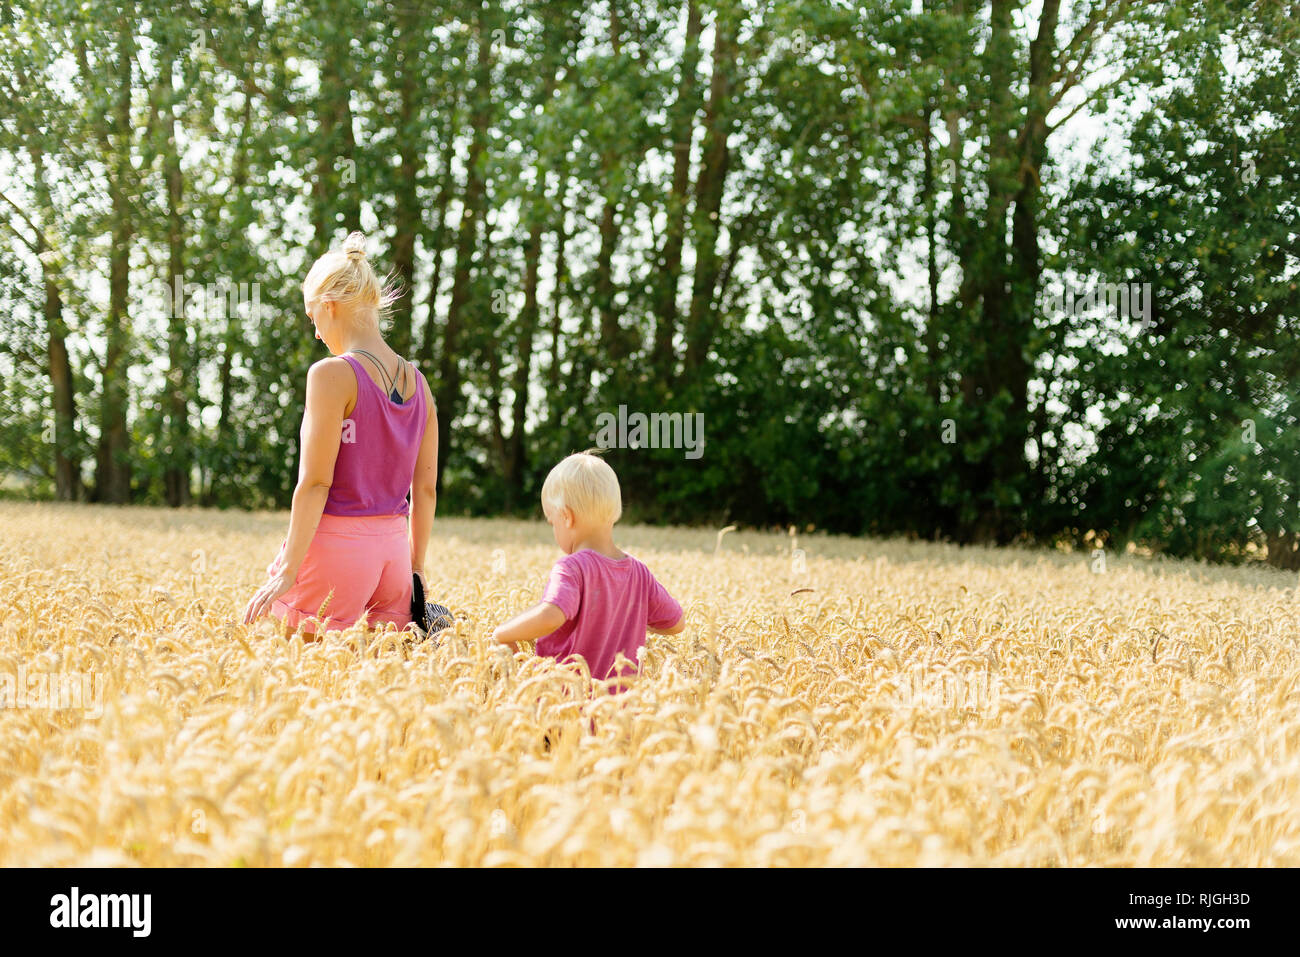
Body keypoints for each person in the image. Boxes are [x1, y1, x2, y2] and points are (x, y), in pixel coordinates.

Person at [242, 231, 439, 635]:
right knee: (376, 685)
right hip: (394, 556)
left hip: (336, 549)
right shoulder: (421, 385)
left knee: (302, 682)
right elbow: (426, 490)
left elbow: (315, 482)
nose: (316, 333)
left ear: (329, 307)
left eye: (313, 318)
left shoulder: (332, 374)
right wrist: (415, 570)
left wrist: (288, 570)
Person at [491, 452, 685, 692]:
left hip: (565, 713)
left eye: (552, 522)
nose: (554, 529)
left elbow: (551, 615)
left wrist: (503, 633)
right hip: (619, 719)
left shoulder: (571, 568)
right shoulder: (640, 573)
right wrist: (622, 618)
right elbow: (677, 623)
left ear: (567, 517)